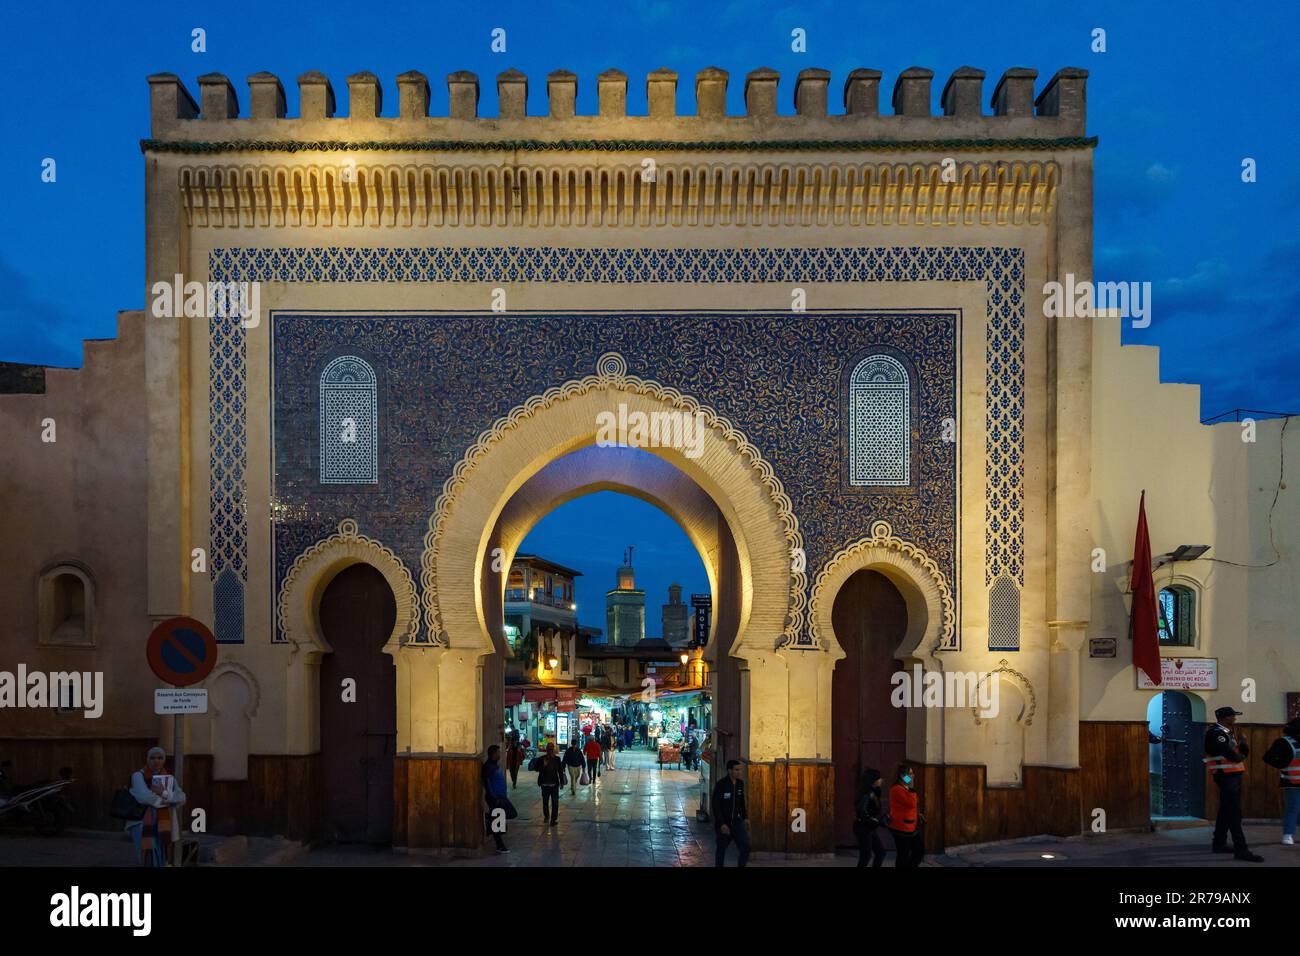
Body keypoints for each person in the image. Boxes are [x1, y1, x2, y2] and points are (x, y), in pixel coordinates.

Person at [1203, 706, 1264, 862]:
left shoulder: (1227, 733)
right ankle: (1241, 849)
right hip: (1225, 775)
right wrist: (1241, 754)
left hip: (1232, 775)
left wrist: (1243, 744)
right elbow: (1234, 756)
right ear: (1224, 718)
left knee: (1225, 810)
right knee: (1233, 813)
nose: (1235, 718)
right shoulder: (1216, 733)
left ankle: (1219, 843)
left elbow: (1241, 753)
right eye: (1232, 716)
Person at [127, 746, 187, 866]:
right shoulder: (138, 776)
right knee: (147, 857)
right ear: (147, 759)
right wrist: (169, 799)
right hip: (143, 822)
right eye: (152, 758)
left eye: (160, 758)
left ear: (164, 760)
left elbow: (182, 797)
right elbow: (145, 797)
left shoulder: (170, 778)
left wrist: (163, 793)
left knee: (162, 856)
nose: (156, 761)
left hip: (164, 822)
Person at [1261, 717, 1300, 846]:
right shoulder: (1284, 742)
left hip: (1294, 781)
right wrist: (1283, 764)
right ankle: (1288, 835)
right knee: (1293, 809)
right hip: (1293, 782)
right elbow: (1268, 757)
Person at [712, 759, 750, 866]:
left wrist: (745, 817)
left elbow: (742, 802)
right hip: (724, 824)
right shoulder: (721, 784)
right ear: (729, 771)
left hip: (737, 823)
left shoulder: (740, 784)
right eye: (736, 770)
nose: (739, 772)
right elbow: (716, 805)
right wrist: (721, 824)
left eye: (740, 770)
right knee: (721, 850)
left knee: (745, 847)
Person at [887, 764, 923, 868]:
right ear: (903, 776)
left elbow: (914, 804)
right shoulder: (897, 789)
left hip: (910, 827)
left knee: (918, 850)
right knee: (903, 855)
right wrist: (911, 788)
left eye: (912, 773)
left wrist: (918, 814)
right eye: (910, 774)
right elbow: (911, 803)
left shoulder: (905, 788)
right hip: (901, 828)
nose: (913, 776)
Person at [854, 767, 887, 867]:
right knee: (866, 855)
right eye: (879, 778)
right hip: (863, 827)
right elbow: (864, 814)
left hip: (868, 827)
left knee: (880, 853)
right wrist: (879, 821)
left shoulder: (874, 791)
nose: (882, 780)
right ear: (873, 780)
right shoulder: (866, 794)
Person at [481, 744, 510, 853]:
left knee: (500, 821)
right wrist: (493, 797)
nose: (500, 754)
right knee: (497, 823)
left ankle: (489, 819)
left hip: (500, 797)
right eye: (498, 753)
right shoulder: (488, 766)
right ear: (493, 754)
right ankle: (500, 846)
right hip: (495, 798)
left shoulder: (494, 765)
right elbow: (487, 783)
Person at [529, 743, 566, 826]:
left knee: (555, 803)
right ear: (546, 750)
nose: (550, 751)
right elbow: (537, 769)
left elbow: (560, 771)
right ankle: (546, 816)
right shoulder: (542, 759)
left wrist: (562, 782)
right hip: (544, 784)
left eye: (551, 749)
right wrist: (544, 765)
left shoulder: (557, 759)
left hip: (554, 785)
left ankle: (553, 819)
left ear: (554, 750)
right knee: (545, 802)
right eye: (549, 749)